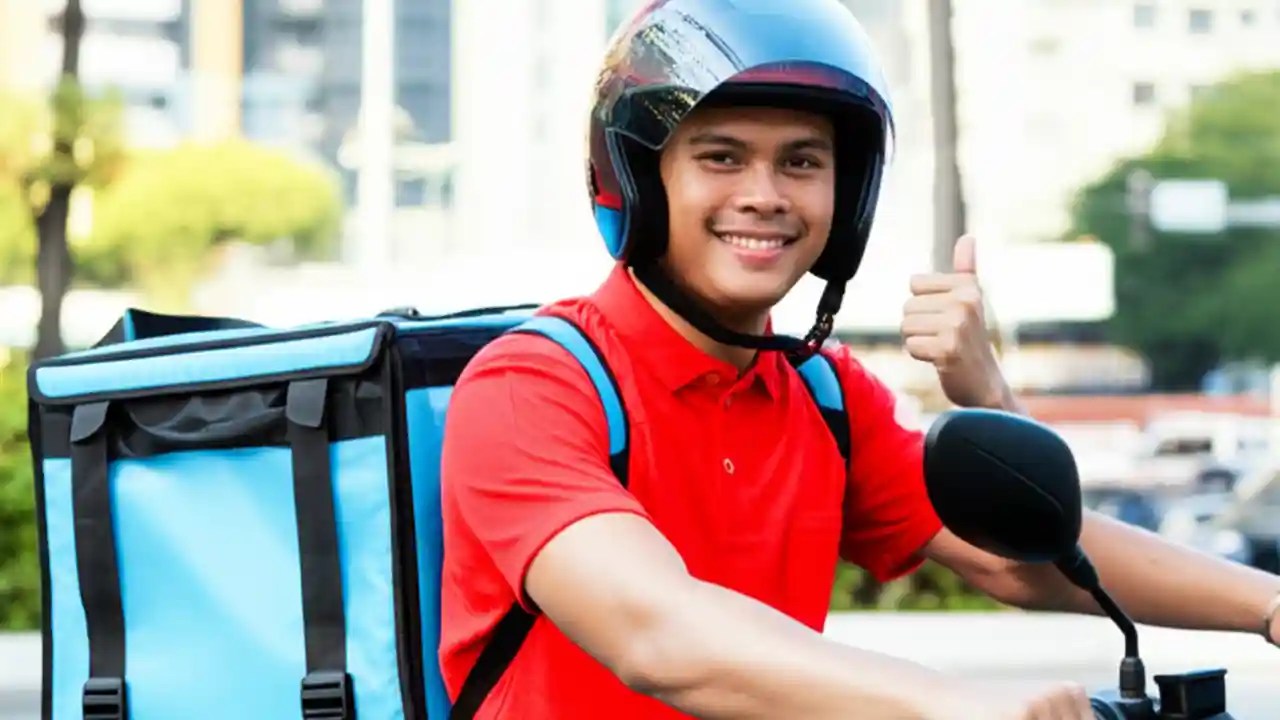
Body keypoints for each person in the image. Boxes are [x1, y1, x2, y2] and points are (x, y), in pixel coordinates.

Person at [438, 1, 1280, 718]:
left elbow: (1017, 555)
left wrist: (1268, 605)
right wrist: (960, 707)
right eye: (720, 156)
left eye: (801, 162)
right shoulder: (533, 386)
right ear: (642, 179)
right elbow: (660, 636)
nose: (765, 194)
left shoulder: (821, 395)